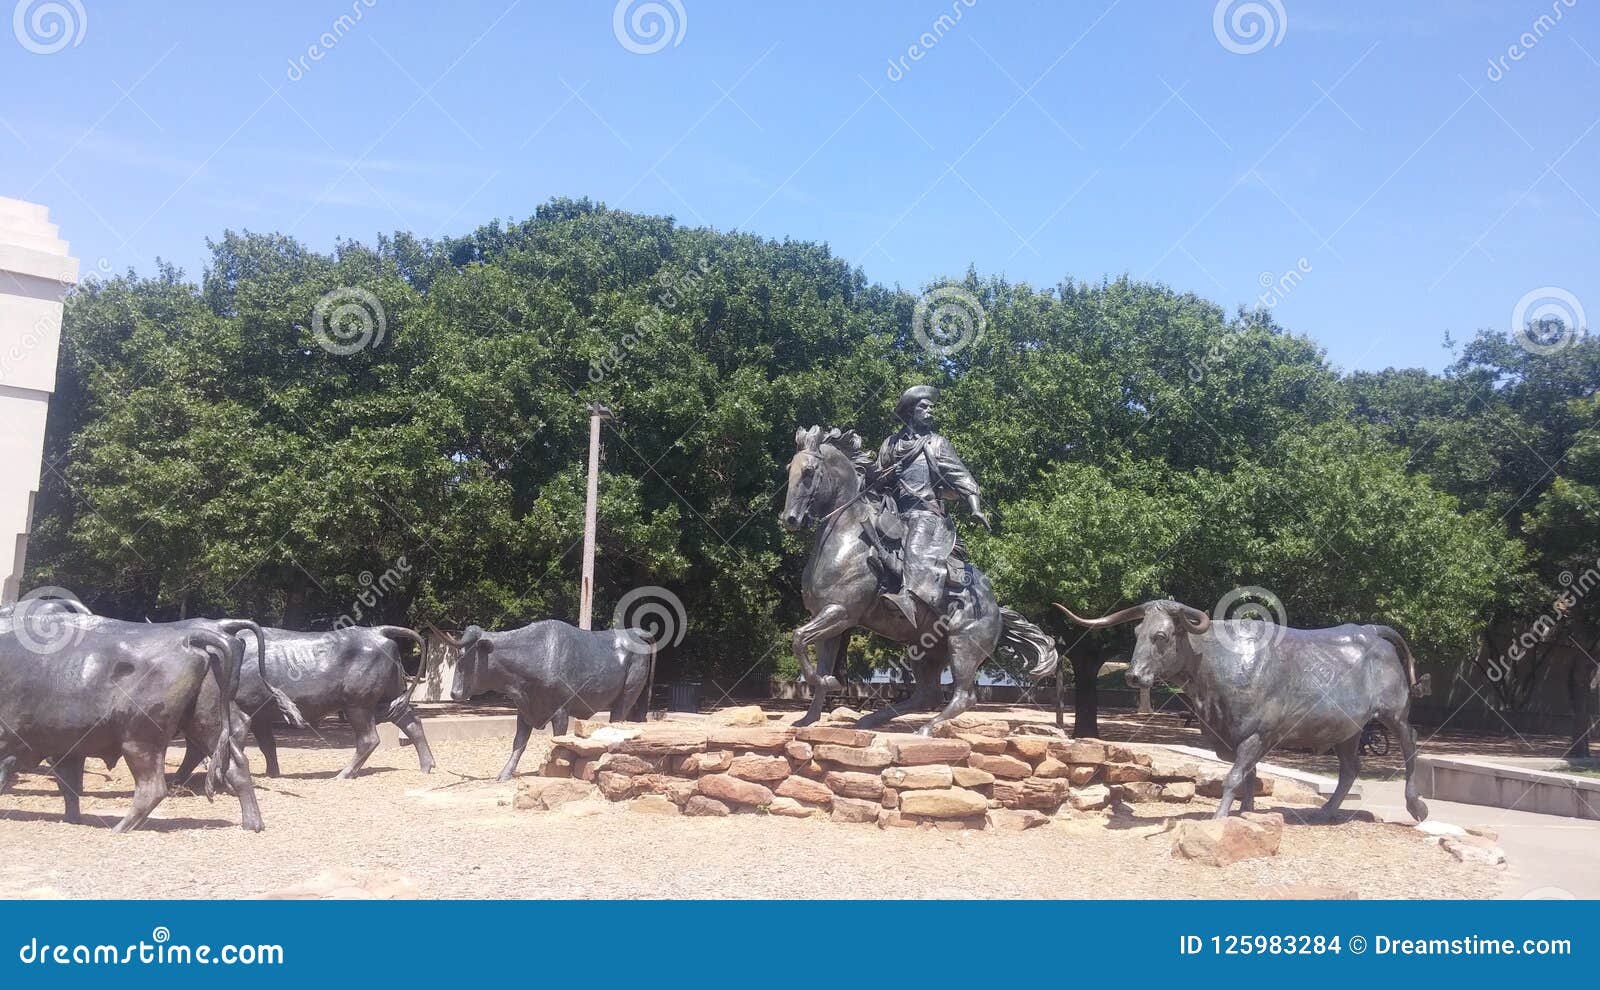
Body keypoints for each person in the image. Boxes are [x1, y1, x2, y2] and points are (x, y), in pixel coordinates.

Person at [870, 385, 990, 624]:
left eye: (931, 407)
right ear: (910, 412)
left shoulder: (937, 444)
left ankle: (909, 599)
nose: (930, 411)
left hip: (926, 515)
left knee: (915, 546)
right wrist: (886, 476)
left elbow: (962, 476)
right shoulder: (890, 445)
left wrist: (975, 507)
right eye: (923, 407)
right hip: (893, 512)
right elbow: (874, 480)